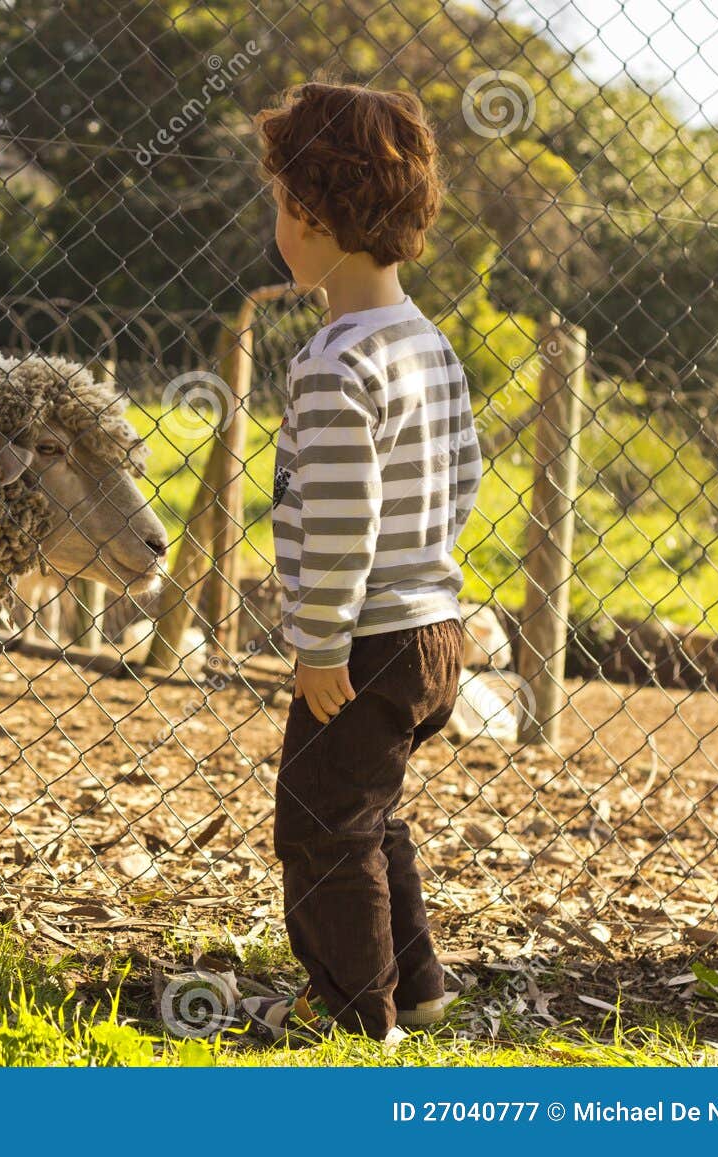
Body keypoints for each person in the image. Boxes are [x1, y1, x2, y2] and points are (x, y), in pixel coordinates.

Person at [242, 80, 483, 1043]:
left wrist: (320, 641)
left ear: (313, 214)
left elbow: (344, 521)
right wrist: (426, 571)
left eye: (280, 202)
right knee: (366, 813)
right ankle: (413, 987)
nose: (278, 223)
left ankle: (350, 1015)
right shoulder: (427, 344)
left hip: (363, 641)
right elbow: (463, 473)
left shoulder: (334, 362)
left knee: (318, 822)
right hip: (432, 628)